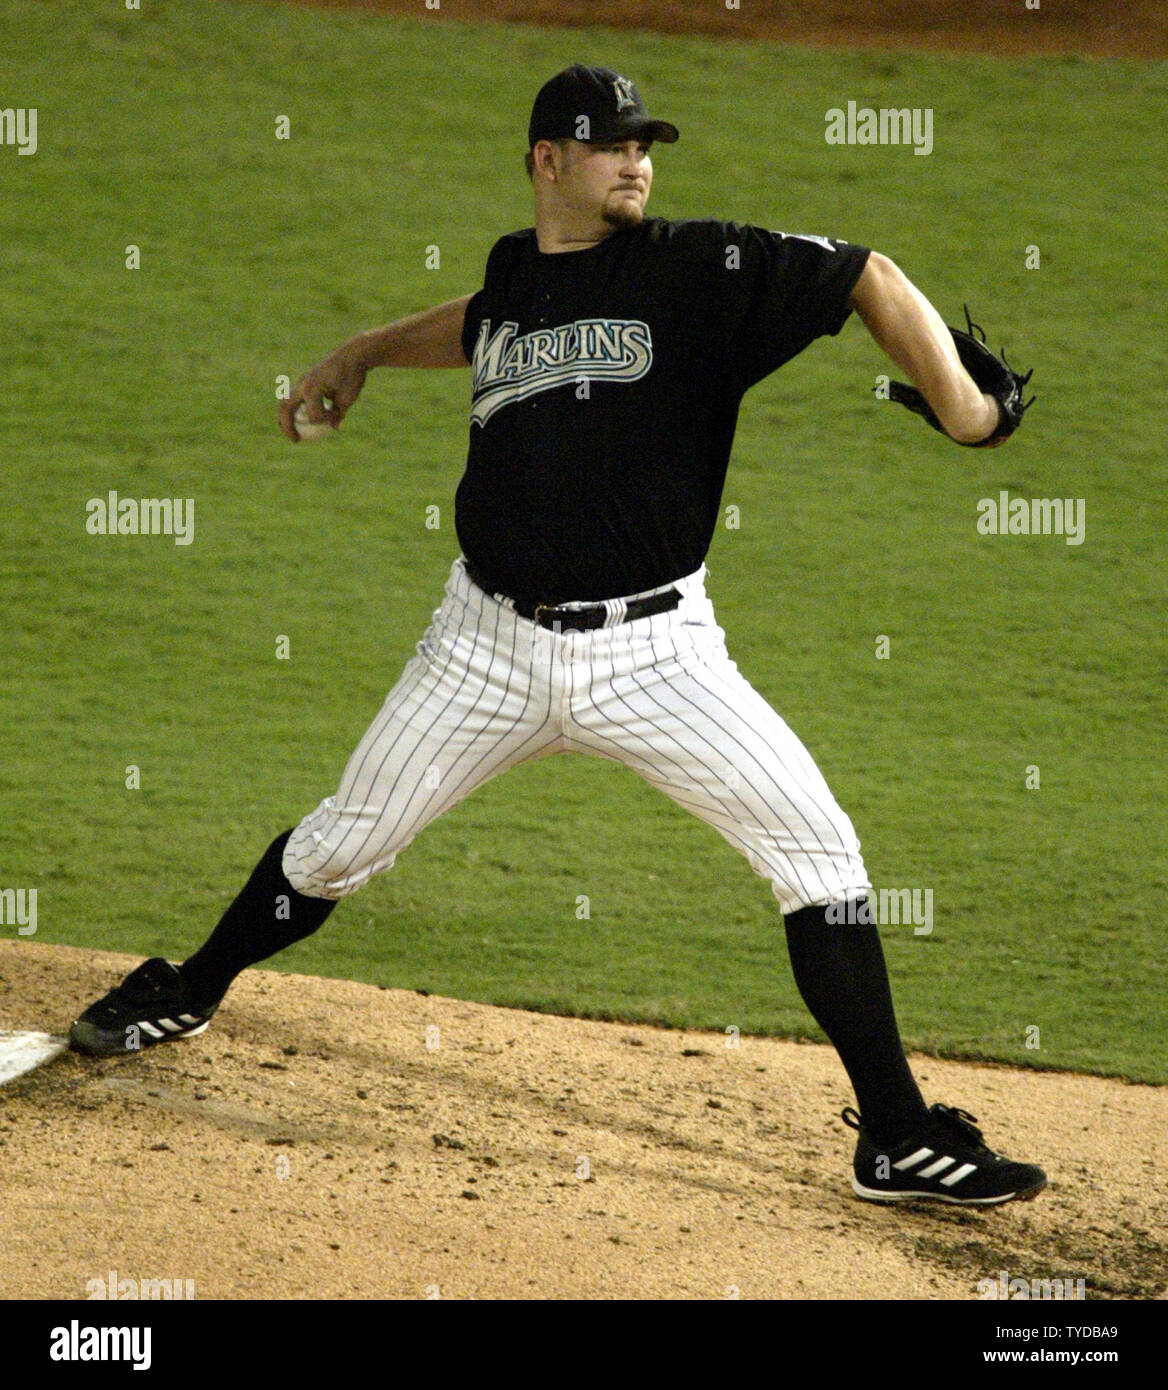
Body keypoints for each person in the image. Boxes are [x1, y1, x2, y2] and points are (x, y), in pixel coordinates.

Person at [71, 64, 1045, 1206]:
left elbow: (865, 276)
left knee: (817, 853)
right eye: (611, 145)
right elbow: (483, 325)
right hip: (478, 647)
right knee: (342, 843)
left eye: (646, 146)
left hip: (656, 656)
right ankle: (189, 984)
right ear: (548, 162)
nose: (637, 162)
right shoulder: (513, 273)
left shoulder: (698, 268)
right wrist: (364, 351)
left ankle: (895, 1136)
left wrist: (971, 416)